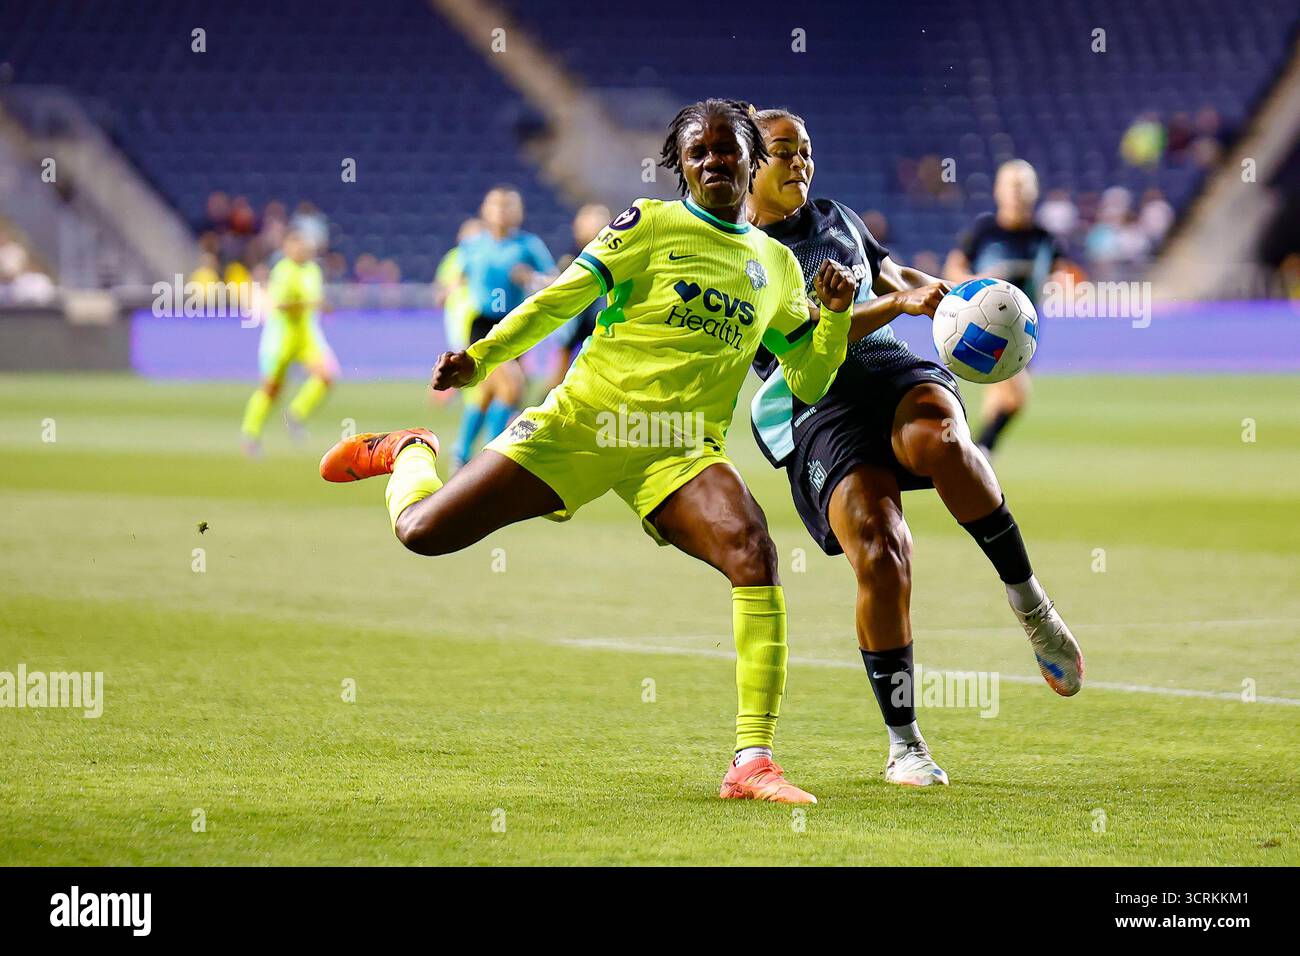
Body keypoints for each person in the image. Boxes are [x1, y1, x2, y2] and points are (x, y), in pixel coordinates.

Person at [319, 99, 860, 804]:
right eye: (699, 154)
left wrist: (836, 319)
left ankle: (751, 761)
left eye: (727, 152)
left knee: (752, 549)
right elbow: (559, 298)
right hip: (585, 423)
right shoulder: (651, 225)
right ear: (682, 167)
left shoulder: (776, 266)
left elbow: (809, 379)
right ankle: (412, 451)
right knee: (421, 533)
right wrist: (481, 360)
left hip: (678, 451)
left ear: (751, 161)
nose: (714, 163)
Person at [746, 108, 1083, 787]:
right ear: (752, 166)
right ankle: (905, 743)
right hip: (815, 401)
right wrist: (891, 305)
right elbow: (807, 335)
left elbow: (884, 268)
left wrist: (934, 297)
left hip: (886, 368)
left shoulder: (837, 215)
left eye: (806, 150)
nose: (800, 163)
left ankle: (1031, 605)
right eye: (784, 151)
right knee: (880, 546)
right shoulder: (739, 258)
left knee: (943, 440)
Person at [944, 160, 1068, 457]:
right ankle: (981, 451)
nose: (1017, 192)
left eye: (1022, 185)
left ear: (1034, 192)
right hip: (983, 326)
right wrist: (978, 283)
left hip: (1025, 329)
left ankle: (970, 455)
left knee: (999, 399)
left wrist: (1065, 285)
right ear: (998, 191)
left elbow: (1060, 272)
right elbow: (953, 268)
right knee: (1016, 395)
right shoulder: (985, 231)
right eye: (1011, 185)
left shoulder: (1043, 237)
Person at [452, 187, 556, 468]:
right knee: (512, 387)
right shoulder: (473, 245)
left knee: (489, 393)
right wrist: (448, 289)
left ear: (518, 211)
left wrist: (530, 278)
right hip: (483, 326)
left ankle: (460, 452)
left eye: (508, 205)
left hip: (515, 325)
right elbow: (458, 277)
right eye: (496, 205)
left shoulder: (528, 245)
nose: (502, 211)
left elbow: (553, 281)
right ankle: (491, 456)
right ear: (485, 210)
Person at [240, 230, 337, 455]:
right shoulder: (283, 271)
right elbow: (281, 306)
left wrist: (320, 305)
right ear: (288, 249)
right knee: (271, 389)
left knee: (326, 376)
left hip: (306, 335)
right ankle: (250, 433)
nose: (302, 251)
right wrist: (311, 303)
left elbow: (316, 300)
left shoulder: (313, 270)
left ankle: (295, 414)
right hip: (281, 337)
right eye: (297, 247)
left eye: (305, 247)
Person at [546, 203, 612, 392]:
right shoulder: (572, 255)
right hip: (575, 316)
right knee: (562, 364)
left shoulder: (613, 252)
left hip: (599, 317)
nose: (597, 225)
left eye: (601, 220)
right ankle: (549, 398)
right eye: (591, 220)